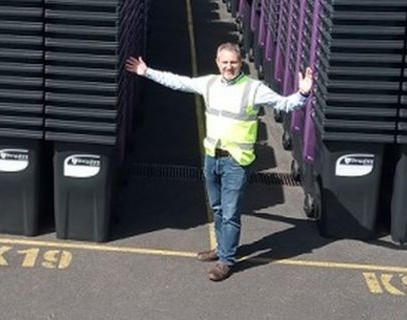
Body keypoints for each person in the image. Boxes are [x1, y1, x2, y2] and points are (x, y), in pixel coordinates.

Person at [126, 42, 313, 282]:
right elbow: (179, 82)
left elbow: (285, 104)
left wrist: (303, 93)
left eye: (233, 62)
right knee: (217, 209)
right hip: (212, 158)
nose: (229, 67)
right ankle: (221, 248)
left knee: (230, 213)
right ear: (217, 63)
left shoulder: (254, 89)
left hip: (236, 162)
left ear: (241, 63)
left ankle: (226, 260)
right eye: (224, 62)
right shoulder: (210, 84)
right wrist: (147, 72)